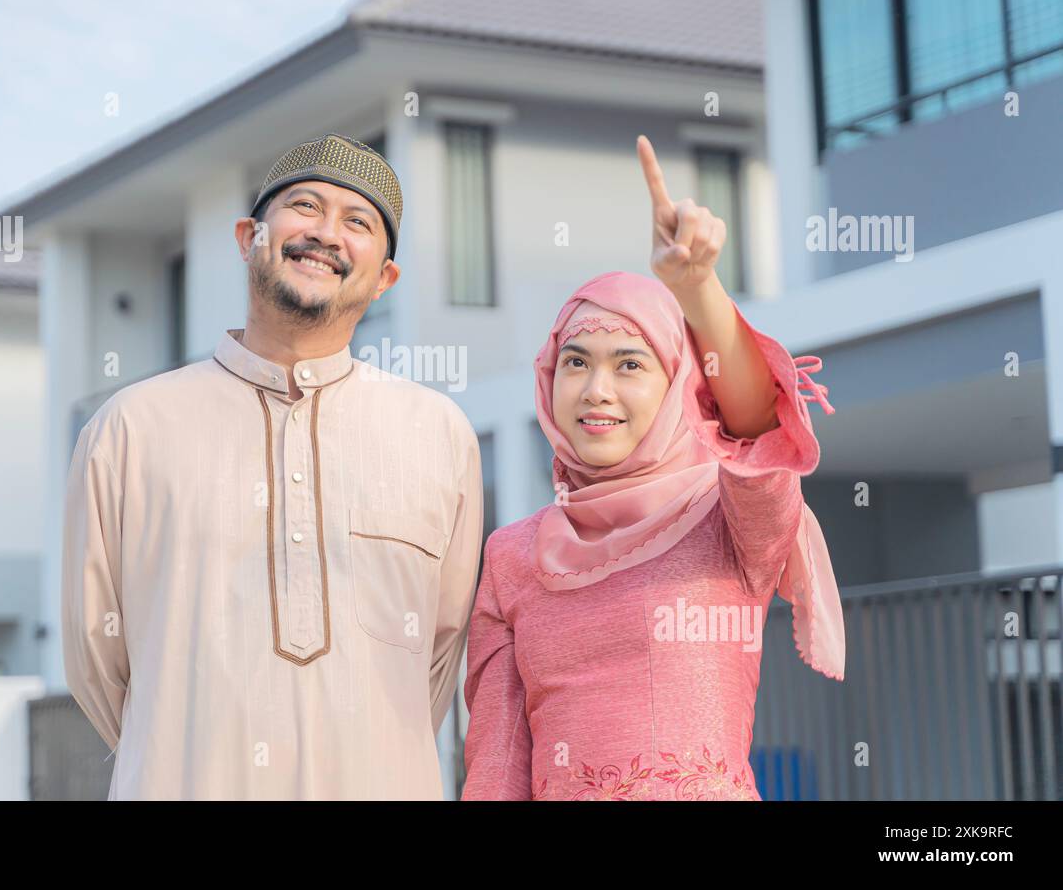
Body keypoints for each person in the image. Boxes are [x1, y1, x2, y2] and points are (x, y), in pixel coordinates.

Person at [62, 133, 484, 799]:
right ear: (248, 236)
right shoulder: (131, 427)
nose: (325, 234)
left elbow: (437, 654)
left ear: (385, 278)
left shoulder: (438, 436)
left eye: (357, 222)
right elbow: (97, 659)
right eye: (304, 206)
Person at [460, 136, 844, 801]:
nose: (595, 390)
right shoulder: (511, 556)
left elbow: (757, 436)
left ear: (678, 386)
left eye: (630, 364)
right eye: (575, 362)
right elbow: (495, 767)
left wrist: (697, 290)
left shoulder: (728, 519)